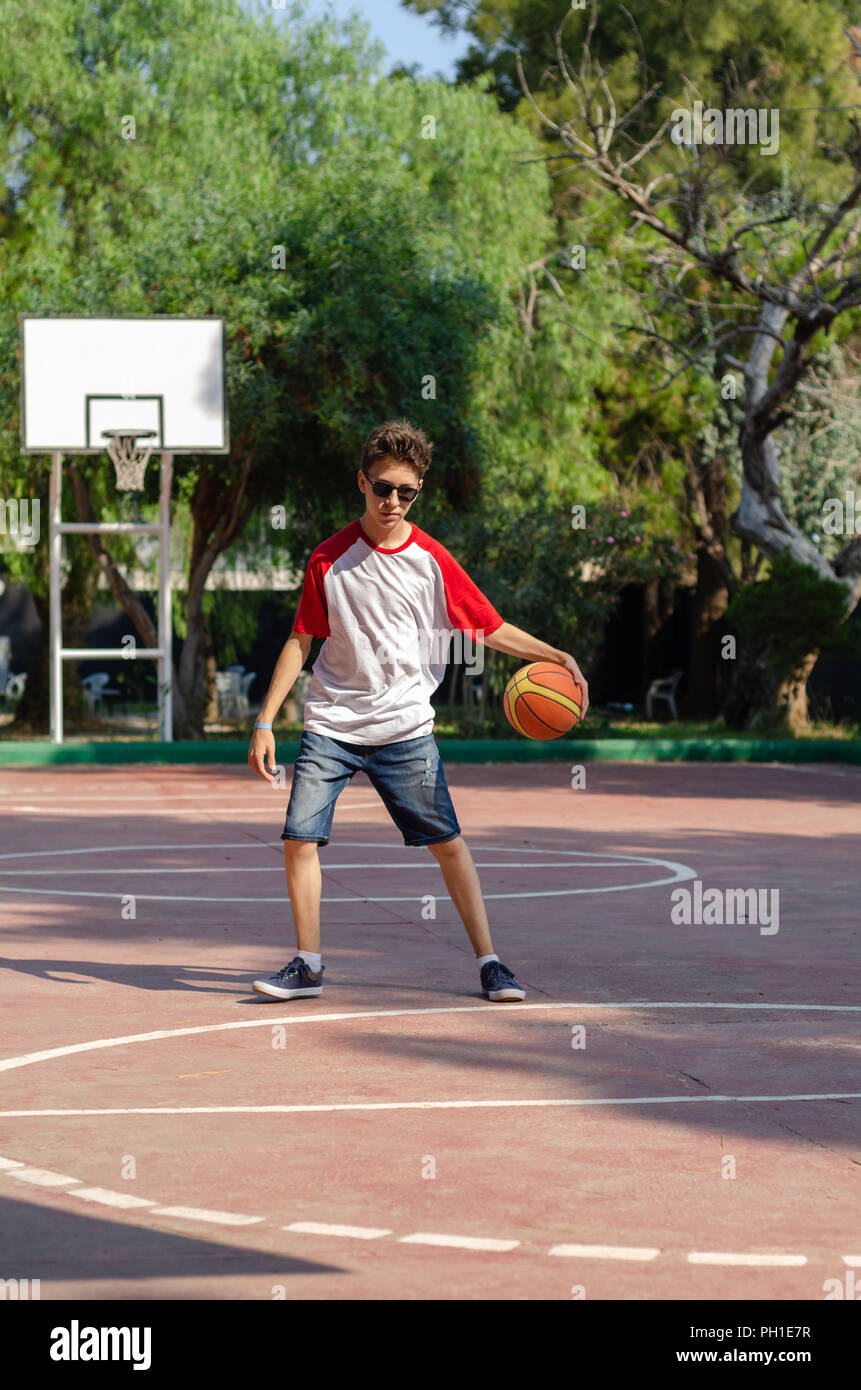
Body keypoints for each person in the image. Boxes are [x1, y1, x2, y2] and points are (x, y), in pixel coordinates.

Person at [247, 419, 588, 1003]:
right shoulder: (329, 559)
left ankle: (491, 963)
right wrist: (264, 721)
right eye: (383, 488)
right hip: (332, 720)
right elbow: (301, 639)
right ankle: (308, 966)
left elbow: (488, 625)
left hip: (405, 726)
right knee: (298, 838)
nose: (393, 501)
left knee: (448, 842)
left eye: (407, 492)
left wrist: (555, 653)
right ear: (362, 481)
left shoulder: (430, 558)